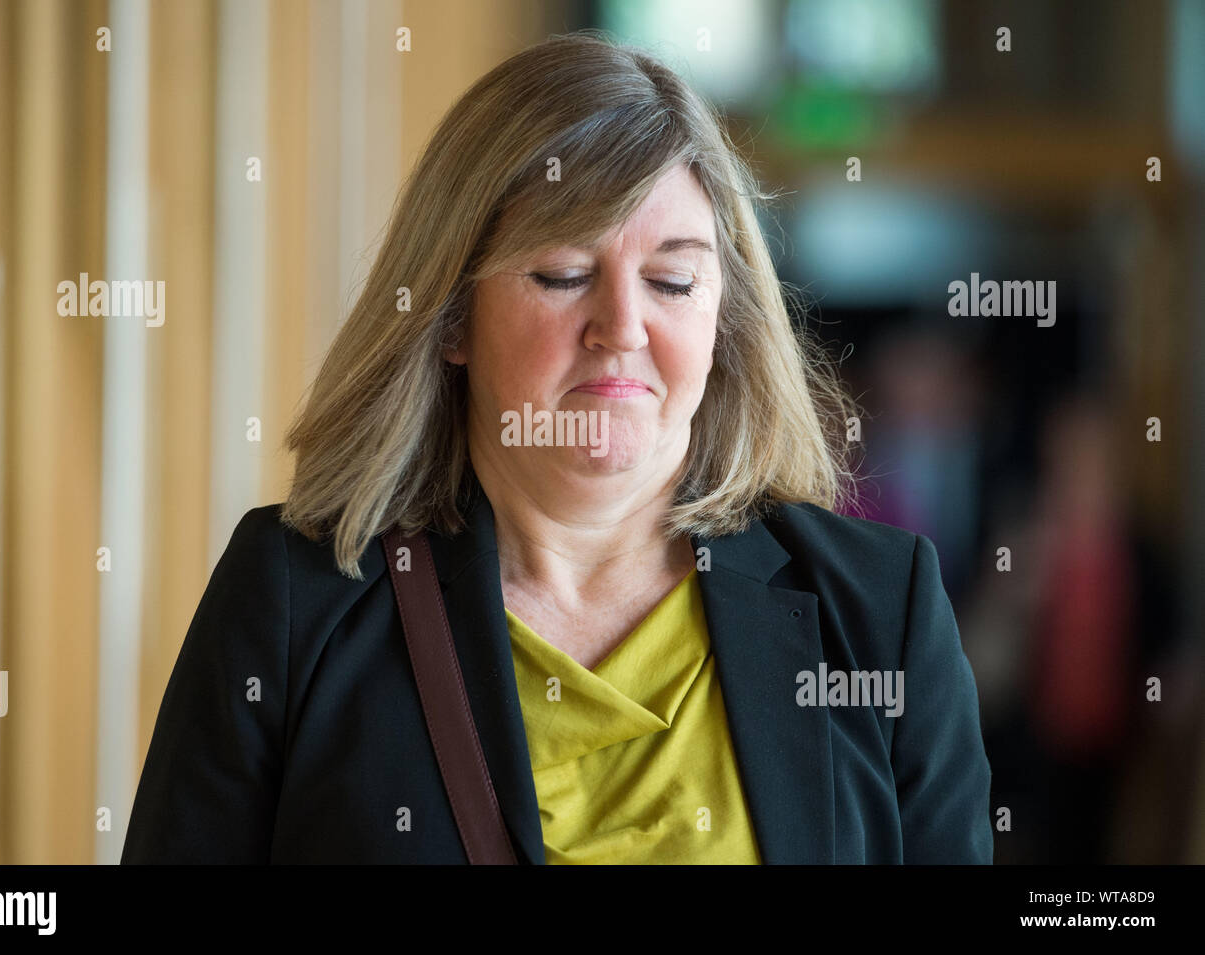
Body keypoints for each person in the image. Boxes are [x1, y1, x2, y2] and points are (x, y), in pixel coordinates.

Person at [121, 31, 992, 865]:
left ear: (723, 317)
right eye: (563, 274)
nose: (622, 328)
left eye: (673, 281)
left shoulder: (882, 613)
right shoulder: (289, 605)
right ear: (451, 314)